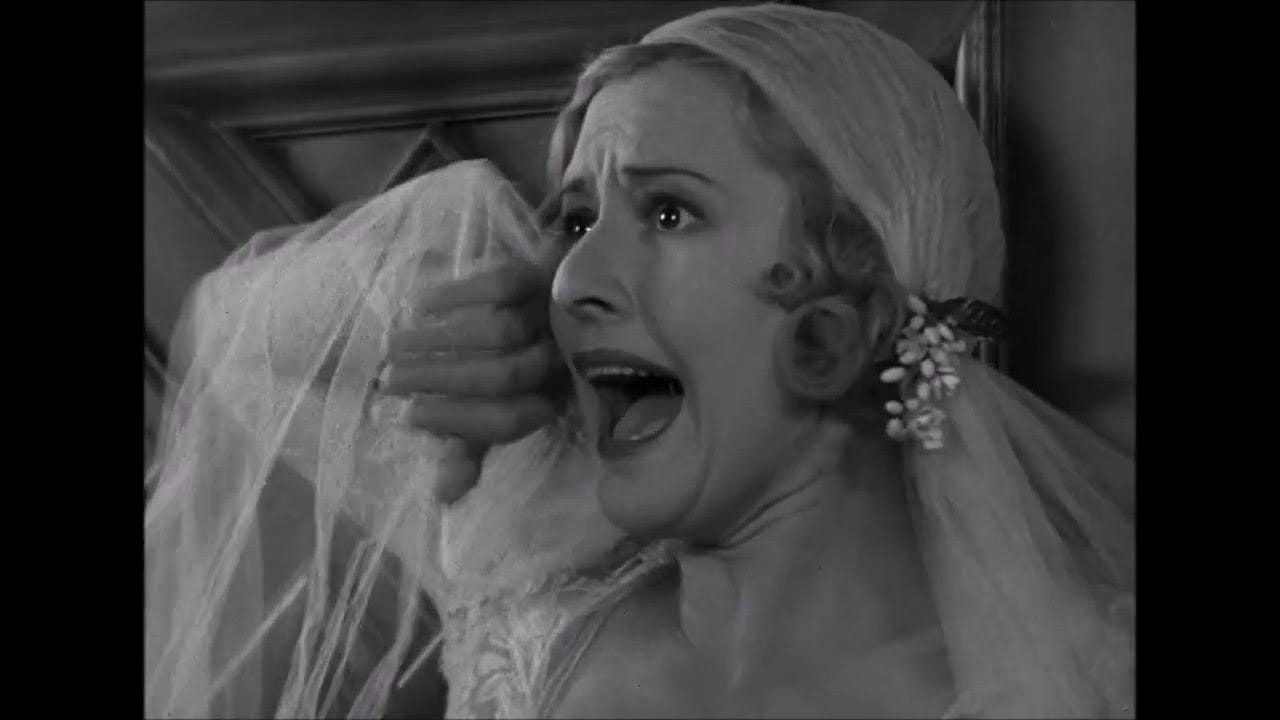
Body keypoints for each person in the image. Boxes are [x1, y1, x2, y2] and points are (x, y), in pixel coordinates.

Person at [144, 4, 1134, 718]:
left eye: (668, 212)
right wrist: (456, 318)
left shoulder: (1075, 685)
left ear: (849, 325)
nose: (573, 276)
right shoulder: (521, 572)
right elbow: (221, 333)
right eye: (578, 218)